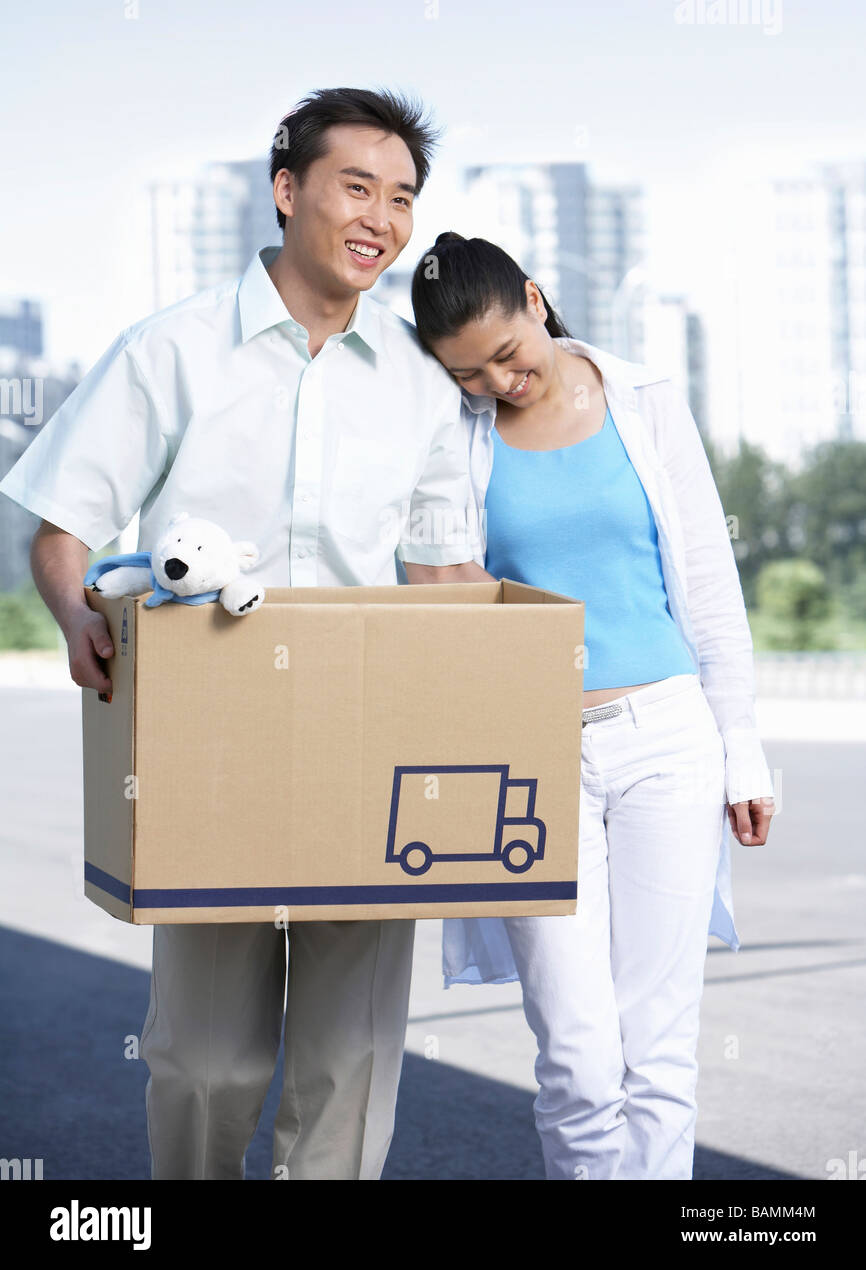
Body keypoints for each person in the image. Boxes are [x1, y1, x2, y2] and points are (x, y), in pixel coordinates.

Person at [0, 91, 493, 1181]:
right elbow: (64, 525)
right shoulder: (170, 350)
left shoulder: (419, 383)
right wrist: (78, 613)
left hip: (370, 743)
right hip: (207, 744)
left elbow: (444, 567)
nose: (381, 218)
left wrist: (527, 675)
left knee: (351, 1060)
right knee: (207, 1061)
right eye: (355, 187)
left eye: (401, 197)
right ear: (286, 191)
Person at [410, 231, 776, 1181]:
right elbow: (444, 595)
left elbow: (707, 581)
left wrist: (743, 750)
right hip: (530, 759)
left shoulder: (646, 401)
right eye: (468, 374)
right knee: (576, 1055)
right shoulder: (454, 438)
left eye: (506, 354)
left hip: (668, 739)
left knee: (657, 1049)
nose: (497, 382)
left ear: (538, 299)